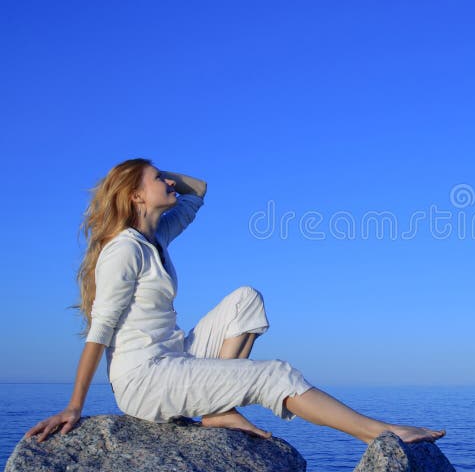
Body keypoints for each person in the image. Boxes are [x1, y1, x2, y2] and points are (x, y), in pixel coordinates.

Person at [25, 158, 446, 445]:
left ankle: (217, 408)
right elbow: (100, 330)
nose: (169, 182)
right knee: (273, 375)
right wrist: (74, 406)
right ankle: (380, 432)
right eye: (158, 180)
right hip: (145, 378)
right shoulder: (124, 250)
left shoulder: (157, 237)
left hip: (174, 358)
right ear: (135, 196)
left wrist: (150, 175)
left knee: (246, 299)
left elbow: (200, 190)